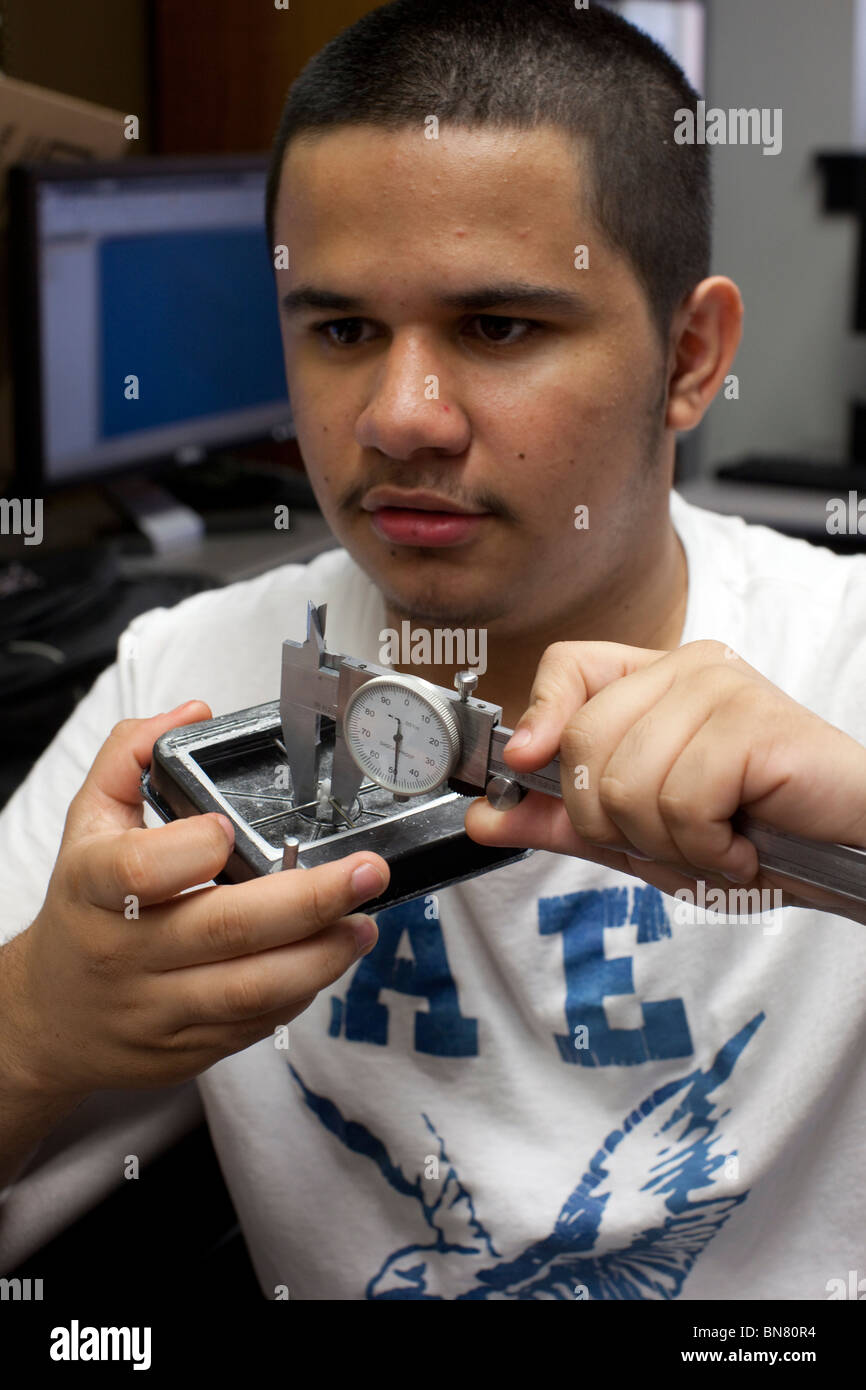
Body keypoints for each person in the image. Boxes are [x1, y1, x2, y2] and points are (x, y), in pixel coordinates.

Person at [1, 0, 865, 1301]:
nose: (400, 419)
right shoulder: (184, 681)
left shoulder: (845, 664)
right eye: (340, 329)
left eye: (497, 328)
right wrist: (37, 1028)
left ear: (689, 358)